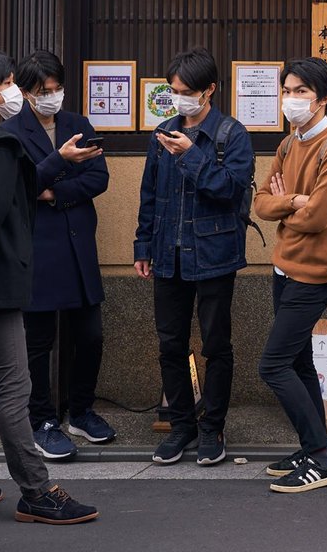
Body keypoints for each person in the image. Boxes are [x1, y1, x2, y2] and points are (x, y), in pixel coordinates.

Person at [0, 44, 99, 525]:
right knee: (14, 386)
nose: (15, 92)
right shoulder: (0, 144)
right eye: (8, 82)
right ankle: (35, 490)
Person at [135, 47, 255, 467]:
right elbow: (149, 195)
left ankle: (213, 427)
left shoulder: (231, 134)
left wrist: (190, 154)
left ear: (210, 91)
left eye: (187, 91)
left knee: (216, 344)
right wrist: (142, 247)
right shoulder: (163, 131)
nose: (179, 98)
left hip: (215, 254)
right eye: (173, 90)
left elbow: (230, 190)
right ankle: (181, 424)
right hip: (167, 252)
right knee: (170, 344)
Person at [252, 58, 327, 494]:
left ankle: (321, 457)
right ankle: (312, 448)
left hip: (315, 273)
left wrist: (292, 205)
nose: (291, 99)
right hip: (283, 266)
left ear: (324, 98)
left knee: (272, 364)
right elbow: (260, 203)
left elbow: (317, 220)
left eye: (300, 92)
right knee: (297, 361)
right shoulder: (288, 144)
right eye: (287, 90)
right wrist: (297, 200)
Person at [5, 51, 113, 461]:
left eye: (55, 89)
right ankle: (41, 420)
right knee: (38, 341)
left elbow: (99, 177)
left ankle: (81, 411)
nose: (51, 97)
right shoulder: (12, 132)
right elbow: (18, 187)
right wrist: (59, 162)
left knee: (90, 335)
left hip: (78, 243)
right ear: (26, 92)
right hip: (37, 249)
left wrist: (54, 192)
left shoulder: (78, 124)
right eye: (41, 91)